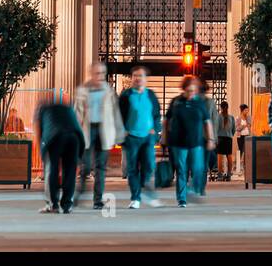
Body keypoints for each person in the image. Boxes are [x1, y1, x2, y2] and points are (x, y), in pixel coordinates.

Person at [73, 62, 125, 210]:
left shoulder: (109, 91)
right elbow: (77, 112)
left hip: (104, 131)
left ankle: (97, 200)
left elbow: (115, 114)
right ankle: (80, 191)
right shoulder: (83, 91)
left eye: (102, 73)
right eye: (97, 73)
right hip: (88, 130)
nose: (100, 76)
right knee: (86, 166)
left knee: (100, 167)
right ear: (91, 74)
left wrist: (119, 133)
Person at [164, 76, 215, 207]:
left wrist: (211, 139)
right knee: (182, 170)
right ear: (184, 89)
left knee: (199, 169)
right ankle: (182, 199)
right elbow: (167, 120)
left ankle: (192, 190)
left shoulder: (199, 103)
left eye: (194, 90)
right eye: (189, 90)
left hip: (196, 143)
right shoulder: (176, 102)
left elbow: (207, 121)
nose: (191, 93)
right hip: (178, 143)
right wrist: (164, 137)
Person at [117, 64, 162, 208]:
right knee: (132, 168)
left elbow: (156, 114)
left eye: (140, 76)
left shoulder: (151, 95)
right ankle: (135, 198)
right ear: (131, 79)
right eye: (135, 76)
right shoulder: (126, 95)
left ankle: (144, 187)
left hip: (147, 137)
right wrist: (122, 130)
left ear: (145, 79)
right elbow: (118, 115)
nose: (137, 78)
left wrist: (155, 129)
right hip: (131, 137)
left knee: (149, 165)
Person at [36, 96, 85, 213]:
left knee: (52, 169)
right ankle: (67, 205)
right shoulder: (67, 108)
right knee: (70, 171)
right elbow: (79, 123)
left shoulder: (42, 110)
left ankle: (54, 205)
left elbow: (38, 132)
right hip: (75, 137)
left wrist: (41, 152)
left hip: (55, 137)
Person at [216, 101, 236, 181]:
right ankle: (228, 175)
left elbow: (216, 128)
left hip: (220, 138)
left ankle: (220, 175)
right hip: (228, 139)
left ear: (221, 107)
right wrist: (230, 135)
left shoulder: (218, 117)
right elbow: (234, 130)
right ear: (227, 107)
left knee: (220, 157)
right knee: (229, 156)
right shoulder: (231, 117)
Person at [234, 104, 251, 178]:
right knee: (240, 151)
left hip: (247, 136)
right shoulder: (238, 118)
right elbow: (237, 128)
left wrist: (247, 125)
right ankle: (238, 167)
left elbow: (250, 125)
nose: (247, 111)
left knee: (247, 151)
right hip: (240, 136)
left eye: (247, 110)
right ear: (242, 110)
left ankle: (245, 167)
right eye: (246, 110)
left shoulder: (248, 117)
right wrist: (243, 126)